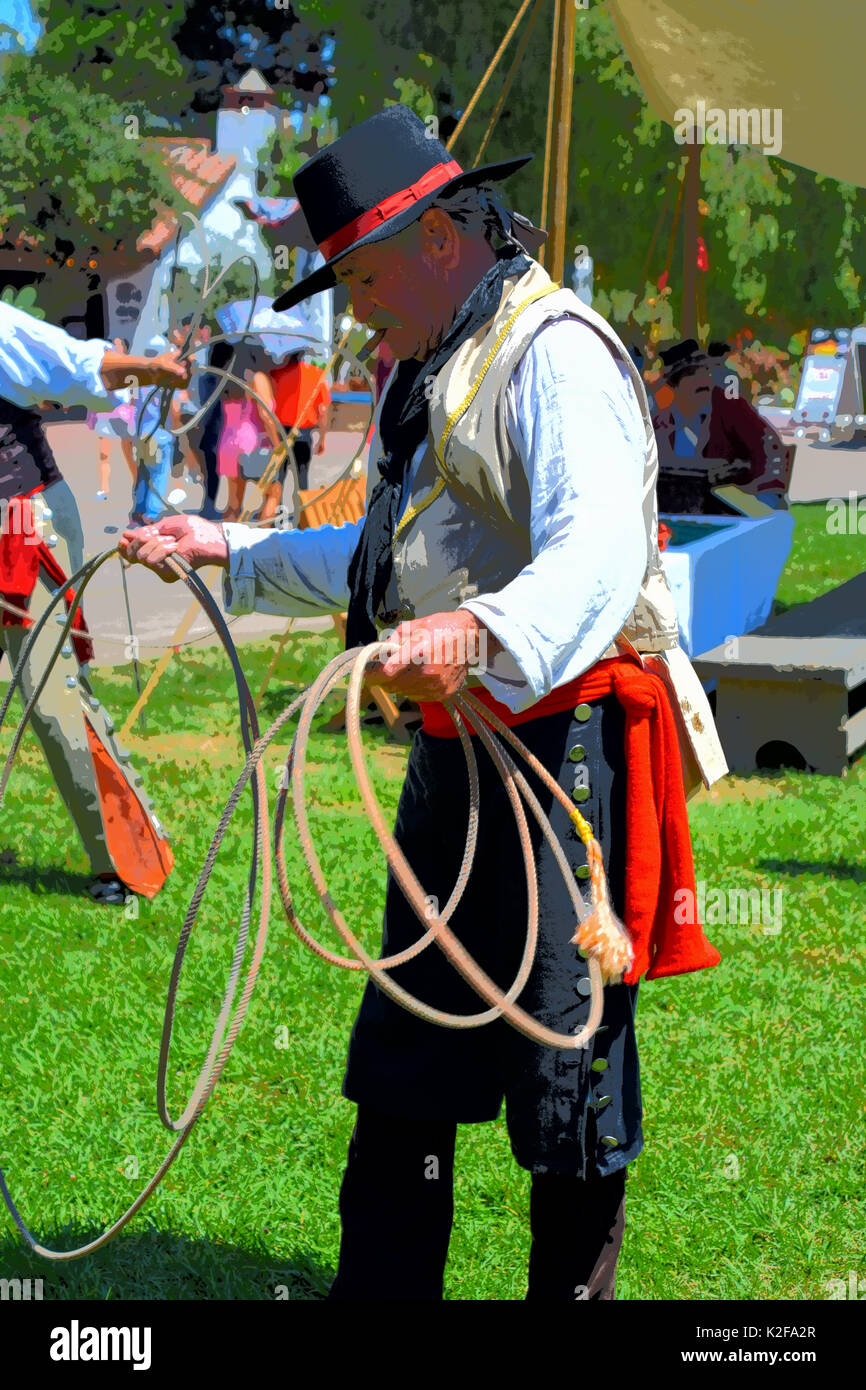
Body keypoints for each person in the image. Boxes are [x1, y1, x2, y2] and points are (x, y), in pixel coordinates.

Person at [121, 105, 727, 1299]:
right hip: (462, 755)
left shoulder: (550, 348)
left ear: (442, 236)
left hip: (567, 758)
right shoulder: (439, 356)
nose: (350, 312)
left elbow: (596, 546)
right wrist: (230, 548)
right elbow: (391, 555)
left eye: (358, 276)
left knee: (568, 1070)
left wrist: (479, 631)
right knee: (406, 1058)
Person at [0, 301, 184, 904]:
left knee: (53, 699)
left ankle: (124, 861)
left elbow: (77, 365)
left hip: (19, 523)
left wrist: (151, 371)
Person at [652, 338, 789, 513]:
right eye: (692, 374)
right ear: (675, 384)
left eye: (705, 372)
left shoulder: (731, 406)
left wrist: (766, 497)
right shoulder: (661, 424)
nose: (703, 381)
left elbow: (770, 447)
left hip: (735, 509)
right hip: (681, 513)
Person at [270, 352, 331, 493]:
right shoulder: (317, 374)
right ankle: (301, 512)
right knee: (302, 478)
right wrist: (322, 439)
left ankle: (277, 510)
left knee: (279, 477)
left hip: (282, 432)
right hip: (303, 433)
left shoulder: (277, 374)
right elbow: (322, 410)